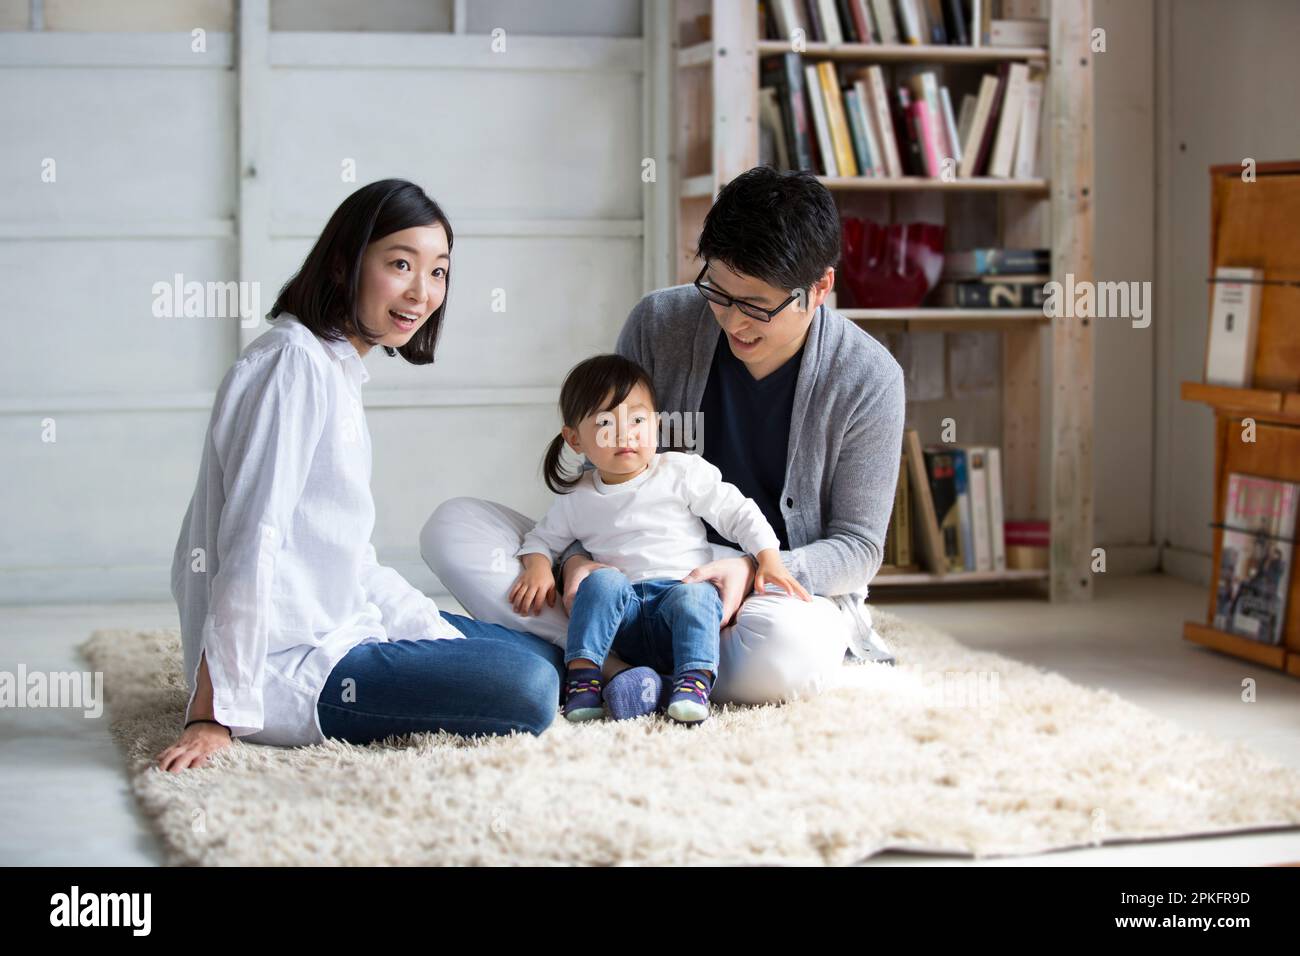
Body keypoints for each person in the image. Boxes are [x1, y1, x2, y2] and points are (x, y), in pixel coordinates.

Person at [422, 166, 906, 707]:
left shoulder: (868, 377)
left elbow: (860, 548)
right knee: (454, 528)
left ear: (819, 288)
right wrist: (577, 559)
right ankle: (625, 666)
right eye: (719, 293)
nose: (733, 322)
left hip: (756, 603)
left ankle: (593, 661)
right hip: (628, 578)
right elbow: (603, 467)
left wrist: (753, 567)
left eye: (757, 306)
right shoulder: (659, 323)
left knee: (785, 653)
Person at [158, 180, 564, 772]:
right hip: (295, 666)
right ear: (345, 263)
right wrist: (211, 711)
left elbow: (351, 560)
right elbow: (252, 539)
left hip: (346, 628)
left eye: (438, 272)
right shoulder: (291, 365)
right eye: (400, 264)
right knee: (528, 685)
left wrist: (434, 634)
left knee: (546, 654)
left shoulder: (334, 369)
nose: (421, 292)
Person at [508, 354, 809, 725]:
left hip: (678, 603)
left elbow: (738, 512)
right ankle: (584, 678)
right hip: (625, 619)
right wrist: (538, 567)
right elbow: (540, 540)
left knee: (699, 594)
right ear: (575, 439)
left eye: (638, 419)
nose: (625, 432)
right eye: (605, 421)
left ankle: (693, 683)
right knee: (601, 582)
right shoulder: (578, 497)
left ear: (657, 425)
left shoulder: (679, 472)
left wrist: (768, 558)